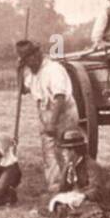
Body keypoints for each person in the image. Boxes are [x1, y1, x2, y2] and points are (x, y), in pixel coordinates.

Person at [16, 38, 80, 193]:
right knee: (49, 153)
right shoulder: (31, 73)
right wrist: (18, 70)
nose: (28, 63)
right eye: (25, 61)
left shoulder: (53, 69)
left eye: (29, 58)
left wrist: (53, 123)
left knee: (65, 151)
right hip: (45, 115)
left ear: (37, 55)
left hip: (63, 114)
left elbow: (59, 97)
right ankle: (55, 186)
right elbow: (22, 90)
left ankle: (71, 186)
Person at [45, 129, 110, 218]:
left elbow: (97, 189)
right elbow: (63, 188)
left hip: (97, 201)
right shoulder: (70, 165)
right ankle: (70, 213)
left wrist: (83, 196)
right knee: (53, 202)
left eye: (67, 150)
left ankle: (84, 214)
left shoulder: (91, 166)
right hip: (76, 199)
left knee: (90, 208)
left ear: (74, 151)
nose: (64, 153)